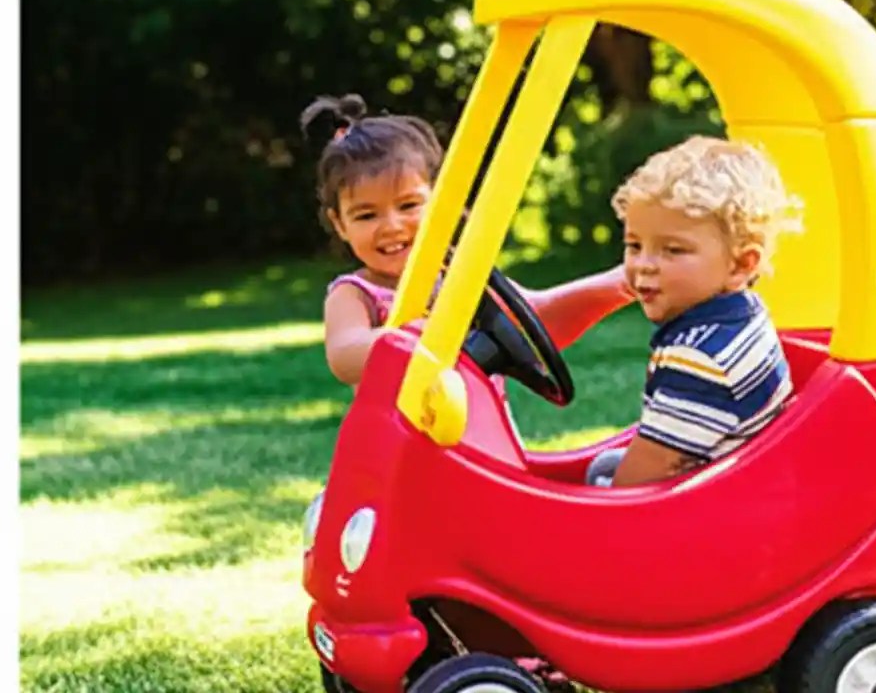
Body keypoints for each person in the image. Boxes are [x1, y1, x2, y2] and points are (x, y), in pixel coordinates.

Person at [300, 93, 633, 386]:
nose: (391, 225)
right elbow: (345, 357)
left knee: (612, 460)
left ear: (446, 202)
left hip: (483, 443)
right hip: (404, 452)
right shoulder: (355, 294)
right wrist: (418, 333)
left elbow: (534, 318)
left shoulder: (459, 274)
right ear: (339, 224)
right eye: (366, 215)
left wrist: (617, 284)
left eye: (409, 205)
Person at [585, 136, 801, 487]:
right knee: (602, 466)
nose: (644, 265)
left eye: (672, 250)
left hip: (708, 514)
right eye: (634, 245)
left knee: (600, 480)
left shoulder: (701, 358)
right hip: (723, 486)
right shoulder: (740, 316)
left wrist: (598, 510)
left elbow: (648, 471)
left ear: (740, 265)